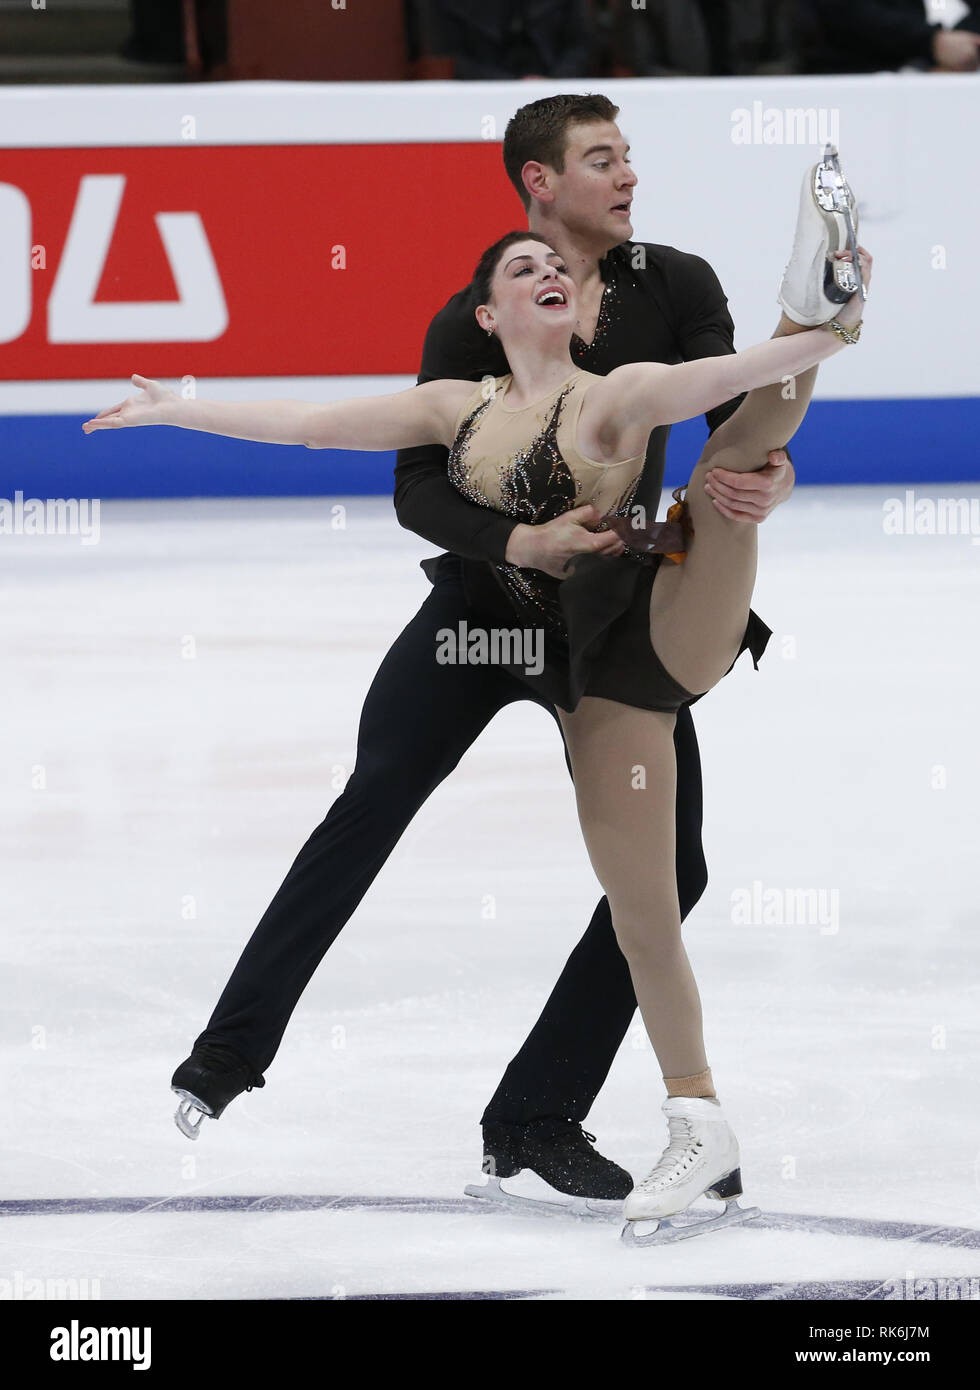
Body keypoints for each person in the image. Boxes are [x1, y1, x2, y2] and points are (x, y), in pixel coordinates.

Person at [82, 144, 871, 1233]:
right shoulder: (453, 400)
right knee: (515, 850)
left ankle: (812, 290)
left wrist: (814, 337)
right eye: (519, 268)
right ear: (487, 315)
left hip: (628, 633)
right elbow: (312, 426)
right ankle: (237, 1056)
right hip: (502, 630)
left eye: (555, 268)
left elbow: (713, 381)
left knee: (724, 471)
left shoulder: (623, 384)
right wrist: (180, 403)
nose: (547, 269)